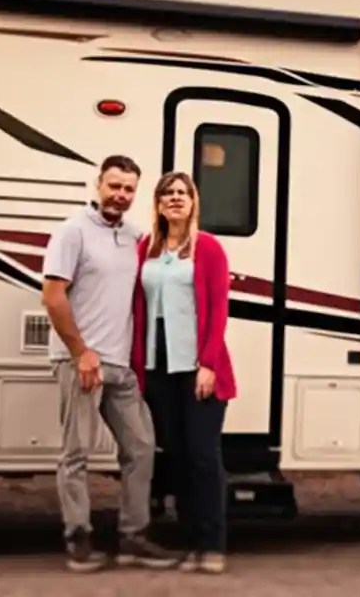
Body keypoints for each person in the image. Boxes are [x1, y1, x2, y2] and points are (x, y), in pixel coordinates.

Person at [41, 155, 180, 572]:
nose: (120, 195)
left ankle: (133, 537)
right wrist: (80, 352)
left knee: (140, 447)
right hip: (82, 362)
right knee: (76, 452)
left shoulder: (137, 236)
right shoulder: (72, 232)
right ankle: (78, 538)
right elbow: (52, 295)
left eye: (129, 189)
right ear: (98, 183)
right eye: (114, 186)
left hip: (121, 366)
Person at [130, 171, 237, 574]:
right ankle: (190, 541)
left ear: (193, 202)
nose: (175, 199)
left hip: (198, 370)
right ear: (157, 204)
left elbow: (218, 310)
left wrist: (207, 363)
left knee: (202, 456)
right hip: (159, 369)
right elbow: (137, 308)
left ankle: (212, 545)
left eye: (182, 193)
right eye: (167, 193)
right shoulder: (147, 248)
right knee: (174, 458)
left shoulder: (207, 248)